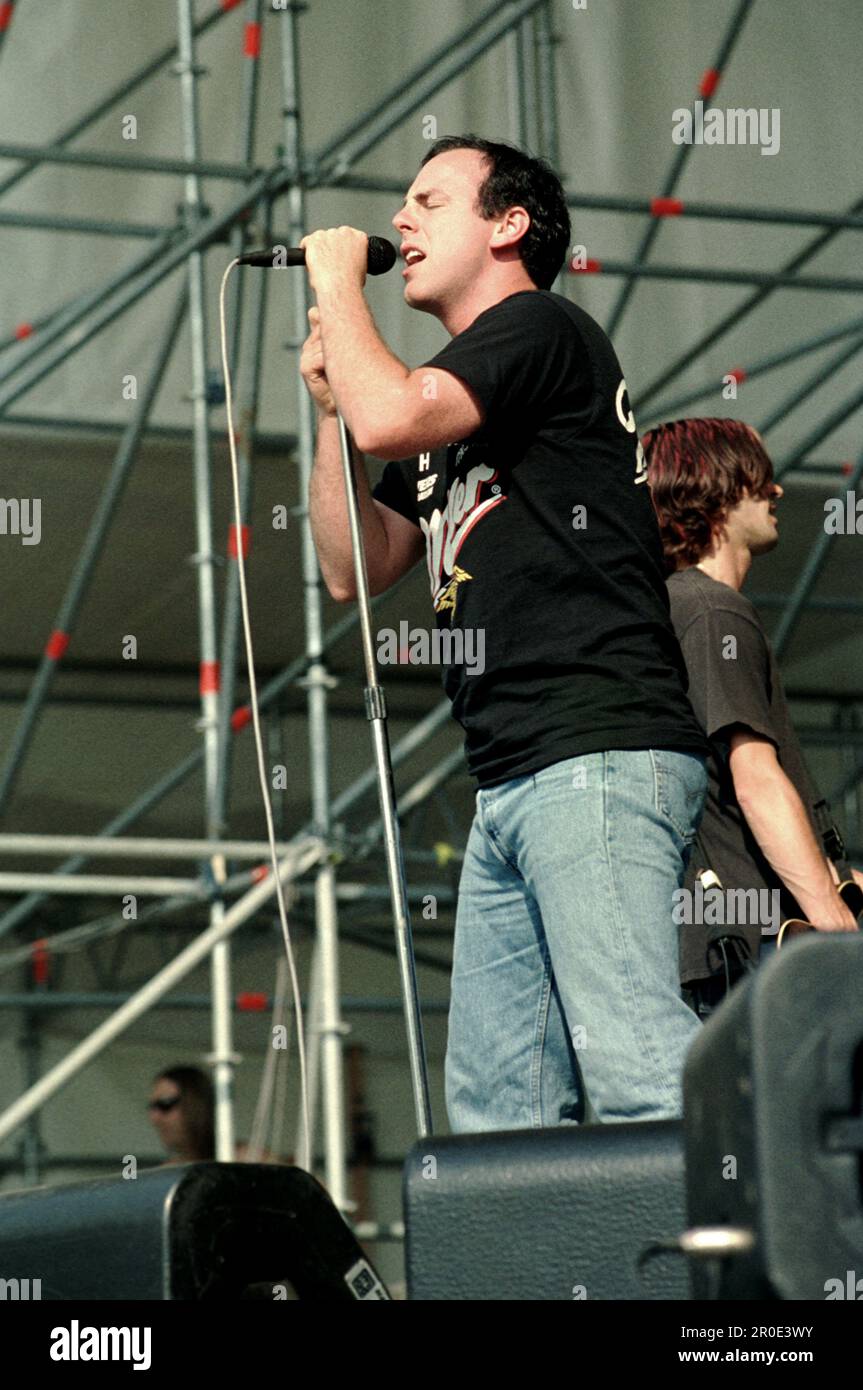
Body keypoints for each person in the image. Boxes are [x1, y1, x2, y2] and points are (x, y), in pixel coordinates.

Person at [300, 135, 710, 1131]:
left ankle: (725, 1273)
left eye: (428, 200)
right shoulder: (459, 386)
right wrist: (326, 410)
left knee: (639, 1073)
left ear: (507, 224)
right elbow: (355, 566)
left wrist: (335, 287)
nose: (399, 221)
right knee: (498, 1112)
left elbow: (392, 415)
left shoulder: (540, 329)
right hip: (509, 772)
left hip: (594, 746)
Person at [643, 417, 860, 1015]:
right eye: (757, 474)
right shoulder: (713, 611)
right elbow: (756, 779)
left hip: (722, 944)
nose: (777, 489)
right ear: (712, 485)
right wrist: (834, 921)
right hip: (755, 950)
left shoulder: (675, 609)